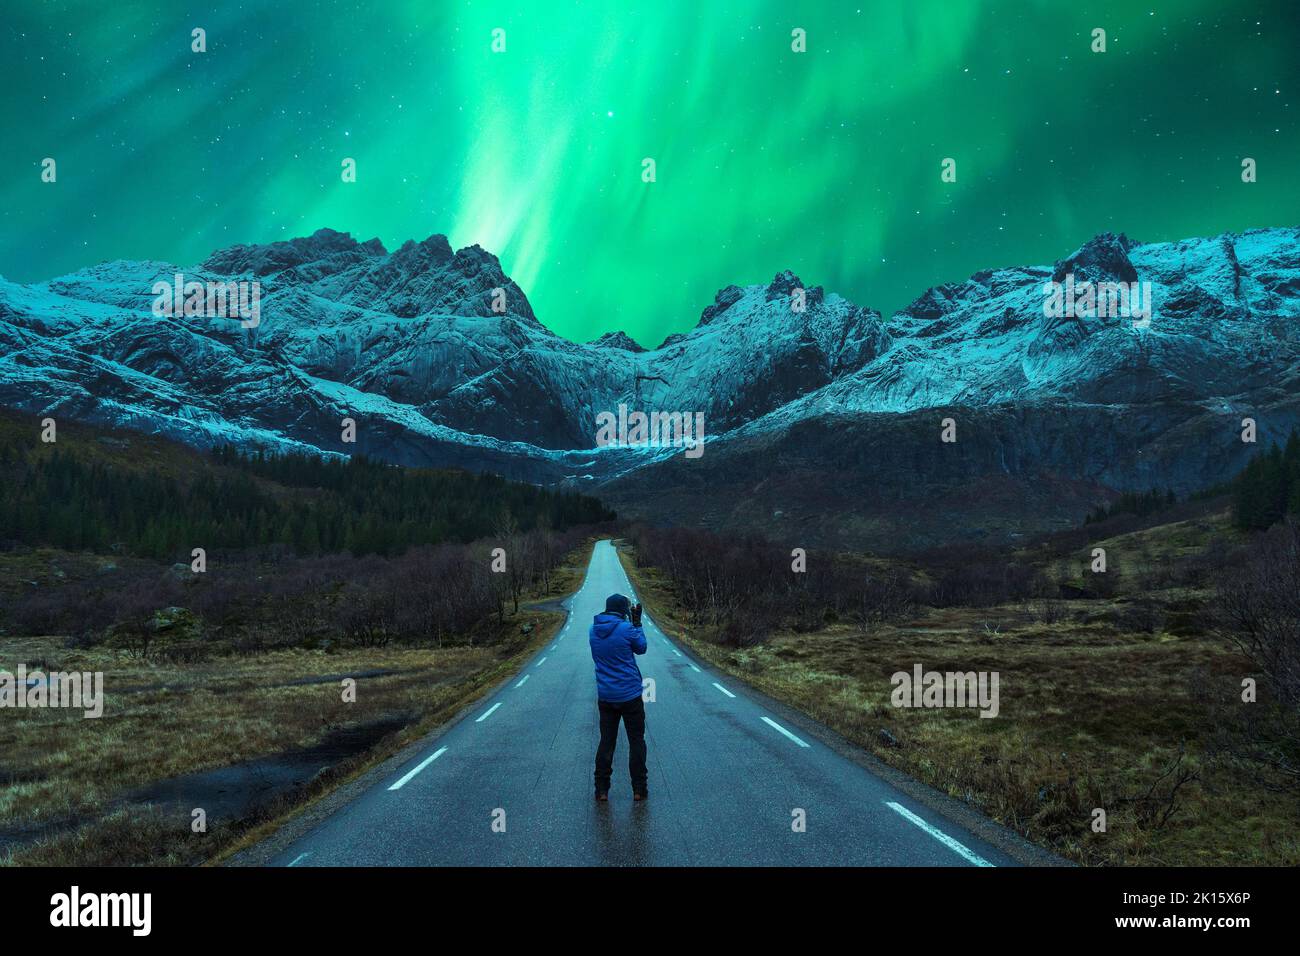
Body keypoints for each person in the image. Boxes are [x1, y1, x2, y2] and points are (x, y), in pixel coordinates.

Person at [588, 592, 648, 801]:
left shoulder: (592, 630)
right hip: (630, 694)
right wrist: (637, 622)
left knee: (607, 742)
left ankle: (601, 789)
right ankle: (639, 788)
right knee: (636, 741)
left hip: (606, 695)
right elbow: (641, 648)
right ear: (623, 611)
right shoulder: (627, 628)